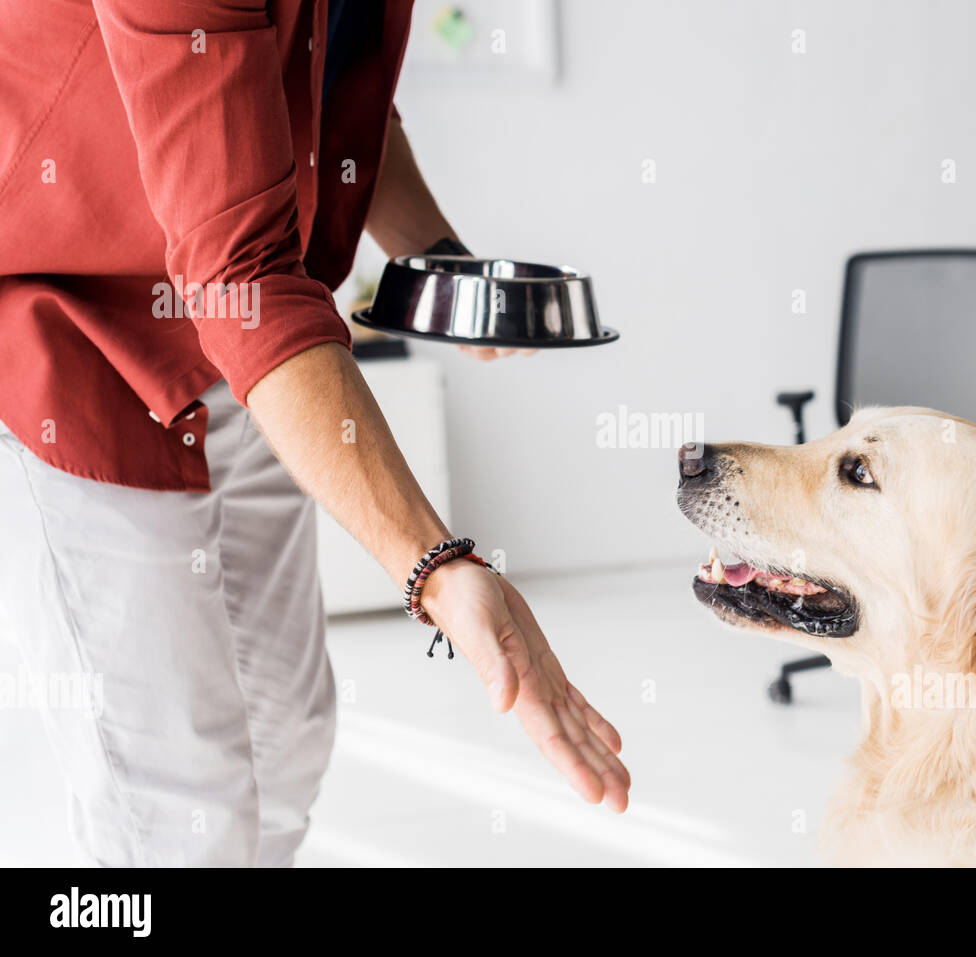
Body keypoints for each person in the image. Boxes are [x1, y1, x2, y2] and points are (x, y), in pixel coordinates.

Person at [0, 0, 629, 866]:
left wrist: (441, 261)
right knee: (180, 803)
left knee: (283, 743)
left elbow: (331, 108)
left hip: (249, 348)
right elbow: (239, 278)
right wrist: (438, 569)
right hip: (61, 335)